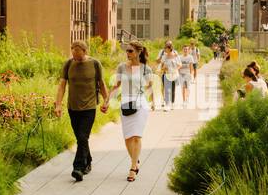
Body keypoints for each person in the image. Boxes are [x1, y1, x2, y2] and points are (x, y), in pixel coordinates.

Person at [54, 39, 109, 181]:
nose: (74, 55)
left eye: (77, 52)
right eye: (72, 51)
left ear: (85, 51)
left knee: (83, 137)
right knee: (80, 138)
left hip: (89, 107)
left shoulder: (95, 64)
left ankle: (77, 168)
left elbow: (101, 83)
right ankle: (88, 161)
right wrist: (58, 105)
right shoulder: (68, 64)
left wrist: (106, 101)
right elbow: (62, 86)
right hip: (73, 107)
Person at [101, 43, 155, 181]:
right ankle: (135, 161)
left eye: (130, 51)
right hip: (126, 102)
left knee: (136, 136)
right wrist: (106, 101)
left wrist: (151, 101)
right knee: (128, 138)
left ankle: (132, 168)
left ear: (138, 52)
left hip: (140, 104)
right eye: (127, 51)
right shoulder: (122, 67)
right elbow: (116, 86)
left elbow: (150, 87)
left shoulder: (145, 69)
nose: (128, 53)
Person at [159, 41, 182, 109]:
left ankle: (172, 103)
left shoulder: (175, 55)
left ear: (169, 48)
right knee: (166, 90)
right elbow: (161, 66)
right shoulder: (164, 56)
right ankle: (167, 105)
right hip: (166, 74)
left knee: (172, 89)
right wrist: (163, 68)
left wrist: (175, 70)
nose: (164, 49)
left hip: (174, 75)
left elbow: (180, 64)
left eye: (166, 48)